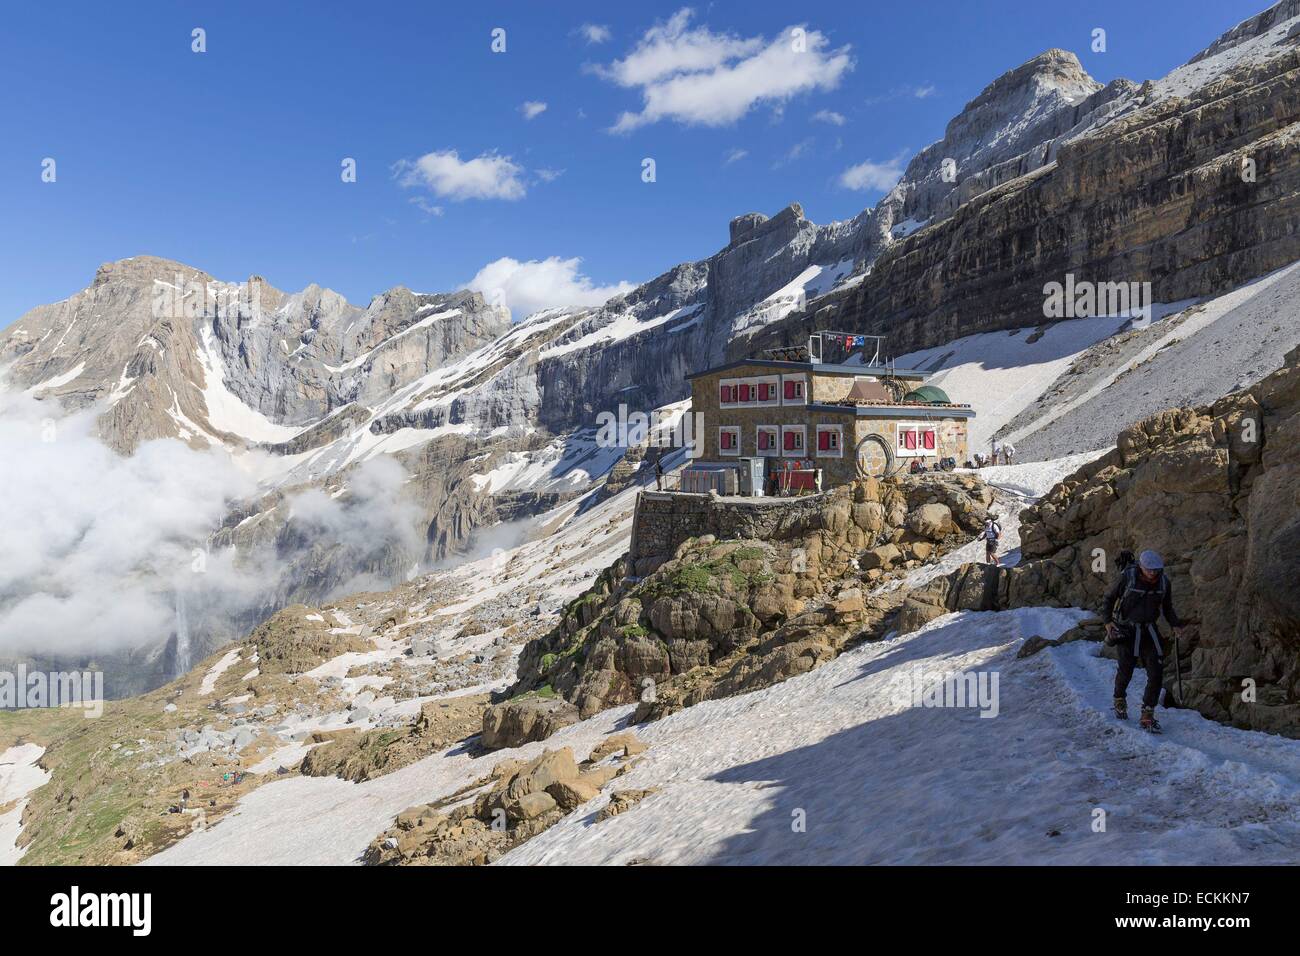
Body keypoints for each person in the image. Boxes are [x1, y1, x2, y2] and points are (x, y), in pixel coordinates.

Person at [1102, 549, 1187, 733]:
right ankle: (1119, 700)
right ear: (1141, 567)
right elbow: (1109, 598)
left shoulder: (1164, 583)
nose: (1152, 573)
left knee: (1156, 673)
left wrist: (1175, 624)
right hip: (1126, 629)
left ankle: (1147, 713)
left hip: (1149, 630)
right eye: (1149, 569)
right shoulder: (1128, 577)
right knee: (1126, 670)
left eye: (1156, 570)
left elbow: (1167, 607)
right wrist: (1108, 622)